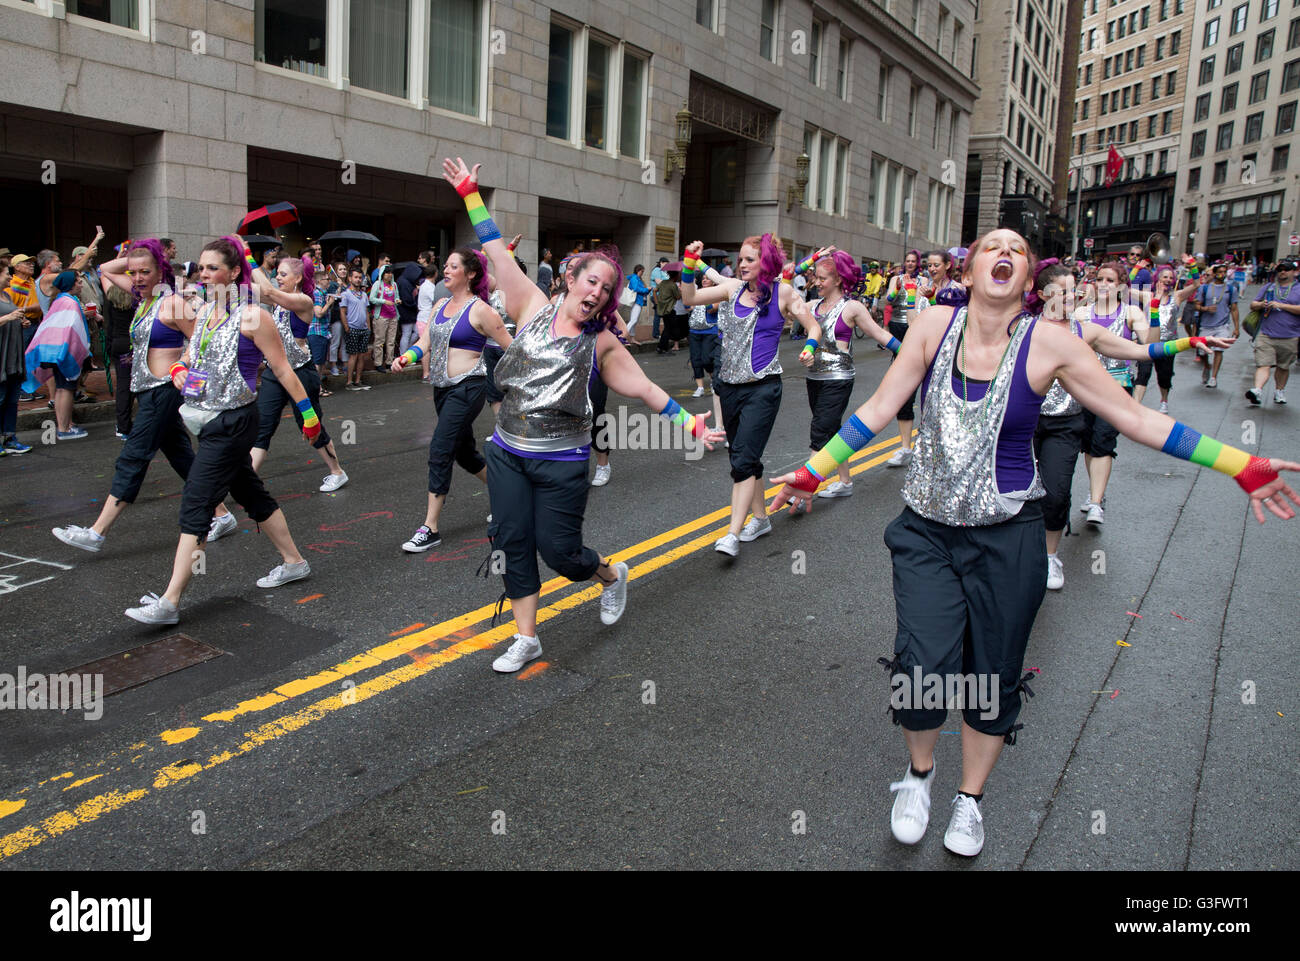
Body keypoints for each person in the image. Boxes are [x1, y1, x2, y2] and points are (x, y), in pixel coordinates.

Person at [769, 227, 1299, 859]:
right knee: (922, 667)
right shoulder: (933, 325)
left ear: (1028, 280)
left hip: (1010, 539)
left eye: (1017, 251)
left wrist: (1239, 462)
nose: (1004, 255)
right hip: (926, 533)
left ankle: (968, 800)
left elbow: (1136, 419)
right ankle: (917, 776)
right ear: (967, 272)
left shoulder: (1051, 343)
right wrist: (813, 470)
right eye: (991, 247)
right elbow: (880, 407)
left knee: (992, 672)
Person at [440, 157, 722, 672]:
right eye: (590, 280)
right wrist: (469, 193)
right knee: (510, 539)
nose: (595, 293)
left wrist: (693, 424)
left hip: (561, 460)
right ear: (571, 278)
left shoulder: (604, 344)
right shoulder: (527, 304)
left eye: (605, 289)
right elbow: (495, 249)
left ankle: (612, 576)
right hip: (506, 451)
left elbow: (646, 390)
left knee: (562, 553)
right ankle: (528, 636)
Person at [124, 236, 321, 626]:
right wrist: (180, 371)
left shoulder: (254, 317)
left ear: (233, 273)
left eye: (213, 267)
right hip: (206, 418)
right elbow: (190, 356)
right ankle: (294, 562)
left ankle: (169, 601)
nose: (204, 273)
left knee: (196, 502)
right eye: (201, 267)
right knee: (250, 491)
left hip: (236, 422)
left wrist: (308, 414)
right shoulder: (205, 313)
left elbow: (282, 369)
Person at [1029, 260, 1227, 591]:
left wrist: (1186, 343)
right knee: (1016, 492)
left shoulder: (1084, 329)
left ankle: (1050, 556)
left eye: (1072, 292)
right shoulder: (1023, 328)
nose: (1068, 299)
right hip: (1023, 425)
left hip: (1065, 425)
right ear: (1042, 294)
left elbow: (1140, 350)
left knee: (1057, 493)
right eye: (1059, 293)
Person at [51, 239, 237, 551]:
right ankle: (221, 514)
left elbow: (203, 342)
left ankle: (96, 532)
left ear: (160, 270)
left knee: (133, 456)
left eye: (144, 271)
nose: (136, 277)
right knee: (181, 457)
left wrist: (186, 375)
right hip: (147, 390)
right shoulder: (145, 299)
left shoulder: (172, 303)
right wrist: (133, 257)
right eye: (133, 272)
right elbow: (105, 269)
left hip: (165, 390)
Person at [679, 235, 819, 556]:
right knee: (743, 456)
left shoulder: (783, 292)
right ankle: (761, 518)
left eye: (750, 259)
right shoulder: (730, 288)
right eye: (740, 259)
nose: (742, 264)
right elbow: (689, 298)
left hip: (763, 388)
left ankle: (732, 533)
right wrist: (689, 263)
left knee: (742, 458)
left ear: (766, 263)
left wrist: (810, 347)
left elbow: (812, 326)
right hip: (729, 387)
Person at [390, 246, 512, 552]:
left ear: (470, 273)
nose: (446, 269)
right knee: (464, 453)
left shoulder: (481, 310)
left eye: (453, 266)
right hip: (442, 389)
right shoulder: (440, 304)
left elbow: (512, 347)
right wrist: (407, 356)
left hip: (469, 387)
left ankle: (430, 527)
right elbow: (426, 342)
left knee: (440, 449)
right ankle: (507, 494)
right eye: (445, 265)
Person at [792, 248, 899, 507]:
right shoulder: (810, 306)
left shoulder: (852, 307)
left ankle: (804, 485)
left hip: (839, 378)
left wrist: (910, 352)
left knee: (820, 429)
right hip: (814, 378)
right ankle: (845, 482)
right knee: (832, 430)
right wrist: (812, 260)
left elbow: (878, 334)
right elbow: (785, 293)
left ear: (838, 280)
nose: (816, 282)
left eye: (822, 278)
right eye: (815, 277)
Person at [248, 250, 349, 493]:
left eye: (283, 274)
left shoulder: (304, 301)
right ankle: (246, 481)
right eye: (277, 273)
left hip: (300, 374)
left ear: (297, 278)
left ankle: (337, 471)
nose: (278, 277)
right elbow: (258, 288)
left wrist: (249, 254)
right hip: (275, 373)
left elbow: (269, 291)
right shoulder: (278, 300)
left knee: (309, 423)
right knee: (262, 427)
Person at [1074, 261, 1150, 528]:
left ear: (1120, 286)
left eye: (1109, 280)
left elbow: (1148, 343)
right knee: (1089, 442)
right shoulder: (1083, 312)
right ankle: (1097, 492)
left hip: (1116, 386)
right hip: (1083, 386)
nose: (1103, 285)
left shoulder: (1130, 312)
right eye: (1100, 280)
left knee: (1104, 441)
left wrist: (1152, 313)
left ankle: (1095, 502)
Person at [21, 270, 90, 440]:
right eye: (79, 281)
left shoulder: (59, 300)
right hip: (62, 353)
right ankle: (65, 429)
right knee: (67, 389)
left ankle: (63, 425)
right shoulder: (69, 302)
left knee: (60, 389)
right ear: (71, 284)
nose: (81, 284)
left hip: (51, 352)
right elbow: (71, 332)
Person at [882, 250, 928, 467]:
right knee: (901, 374)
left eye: (912, 261)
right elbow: (888, 300)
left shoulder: (924, 281)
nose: (909, 264)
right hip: (897, 326)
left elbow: (920, 305)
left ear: (917, 264)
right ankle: (905, 447)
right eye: (907, 261)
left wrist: (913, 292)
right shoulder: (895, 279)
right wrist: (898, 289)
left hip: (914, 326)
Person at [1133, 265, 1200, 413]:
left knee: (1164, 375)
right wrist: (1136, 268)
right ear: (1157, 279)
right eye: (1165, 277)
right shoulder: (1147, 296)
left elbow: (1196, 284)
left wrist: (1193, 265)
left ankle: (1164, 400)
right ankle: (1135, 405)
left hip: (1168, 343)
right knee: (1143, 373)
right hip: (1148, 341)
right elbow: (1125, 289)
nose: (1168, 280)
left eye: (1171, 277)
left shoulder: (1177, 296)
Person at [1246, 259, 1300, 406]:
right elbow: (1253, 304)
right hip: (1266, 334)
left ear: (1294, 272)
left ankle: (1279, 391)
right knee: (1263, 364)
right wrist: (1260, 304)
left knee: (1283, 366)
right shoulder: (1269, 287)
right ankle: (1257, 390)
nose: (1282, 272)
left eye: (1286, 269)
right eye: (1280, 269)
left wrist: (1281, 305)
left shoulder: (1298, 289)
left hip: (1290, 335)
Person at [101, 270, 137, 438]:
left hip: (117, 344)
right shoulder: (136, 300)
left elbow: (104, 274)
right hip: (130, 345)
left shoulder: (110, 298)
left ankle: (122, 425)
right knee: (132, 386)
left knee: (123, 385)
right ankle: (125, 426)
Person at [0, 264, 31, 455]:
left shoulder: (8, 296)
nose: (10, 277)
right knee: (0, 398)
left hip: (13, 354)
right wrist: (10, 316)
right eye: (5, 274)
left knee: (12, 399)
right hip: (1, 356)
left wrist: (21, 321)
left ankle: (10, 437)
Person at [1193, 262, 1238, 388]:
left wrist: (1237, 327)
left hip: (1222, 325)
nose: (1222, 274)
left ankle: (1213, 377)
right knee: (1203, 352)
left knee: (1219, 350)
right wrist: (1206, 309)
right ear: (1214, 273)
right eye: (1220, 272)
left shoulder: (1231, 289)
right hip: (1206, 325)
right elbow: (1196, 305)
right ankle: (1207, 366)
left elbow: (1234, 309)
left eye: (1224, 272)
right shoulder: (1205, 288)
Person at [340, 267, 371, 390]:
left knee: (361, 355)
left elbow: (367, 312)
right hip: (352, 328)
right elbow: (343, 312)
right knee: (352, 355)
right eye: (355, 277)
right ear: (350, 278)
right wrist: (346, 326)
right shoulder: (345, 294)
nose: (358, 280)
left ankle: (358, 380)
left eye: (360, 277)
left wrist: (368, 327)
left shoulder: (364, 295)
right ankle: (349, 382)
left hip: (363, 329)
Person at [307, 261, 335, 395]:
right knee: (317, 363)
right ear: (319, 280)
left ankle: (319, 387)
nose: (329, 281)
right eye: (327, 279)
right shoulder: (317, 293)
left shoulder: (323, 293)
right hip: (317, 332)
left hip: (323, 332)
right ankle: (316, 389)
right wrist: (329, 304)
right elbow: (318, 313)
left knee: (321, 362)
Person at [369, 264, 399, 372]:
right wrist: (383, 301)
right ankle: (378, 363)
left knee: (391, 341)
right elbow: (372, 298)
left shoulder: (394, 285)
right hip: (381, 315)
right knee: (379, 340)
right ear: (382, 274)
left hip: (393, 315)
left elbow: (396, 297)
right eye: (387, 273)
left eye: (391, 273)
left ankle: (389, 362)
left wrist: (397, 301)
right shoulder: (377, 284)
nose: (389, 275)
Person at [652, 270, 679, 352]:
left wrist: (657, 302)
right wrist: (681, 291)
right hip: (669, 309)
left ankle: (663, 346)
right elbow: (678, 297)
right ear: (675, 276)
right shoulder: (673, 285)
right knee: (668, 328)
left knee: (667, 327)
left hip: (662, 308)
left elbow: (654, 290)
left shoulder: (663, 282)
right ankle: (661, 346)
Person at [626, 264, 650, 336]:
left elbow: (641, 290)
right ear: (638, 271)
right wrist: (646, 289)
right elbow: (636, 289)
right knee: (634, 320)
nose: (643, 273)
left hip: (638, 300)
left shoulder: (636, 278)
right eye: (642, 271)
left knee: (634, 320)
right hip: (637, 301)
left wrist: (647, 290)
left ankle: (631, 338)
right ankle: (623, 335)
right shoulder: (635, 278)